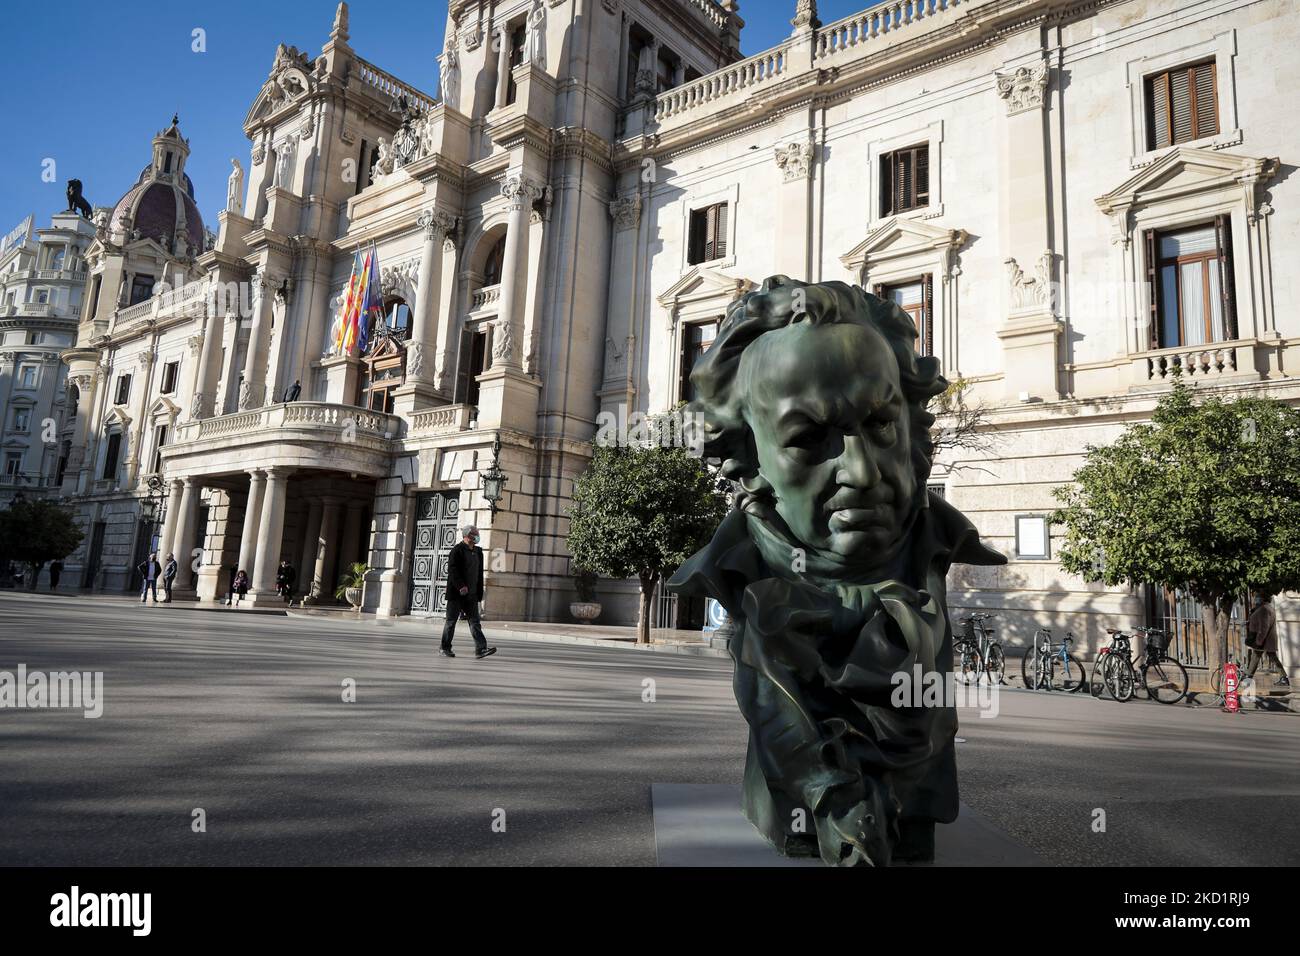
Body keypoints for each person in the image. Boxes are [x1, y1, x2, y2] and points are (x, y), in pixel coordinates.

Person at [440, 525, 496, 659]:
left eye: (478, 533)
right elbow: (453, 571)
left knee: (475, 622)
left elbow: (478, 573)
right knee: (451, 622)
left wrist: (478, 591)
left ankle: (481, 649)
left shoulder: (478, 552)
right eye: (475, 534)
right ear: (467, 536)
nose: (477, 536)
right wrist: (461, 586)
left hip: (471, 594)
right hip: (457, 594)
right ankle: (445, 647)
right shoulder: (457, 551)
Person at [1245, 593, 1291, 686]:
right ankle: (1248, 677)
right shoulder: (1265, 608)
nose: (1256, 599)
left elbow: (1264, 626)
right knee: (1263, 656)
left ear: (1263, 599)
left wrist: (1259, 640)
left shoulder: (1264, 609)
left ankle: (1248, 677)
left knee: (1262, 656)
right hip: (1266, 639)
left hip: (1265, 639)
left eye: (1258, 598)